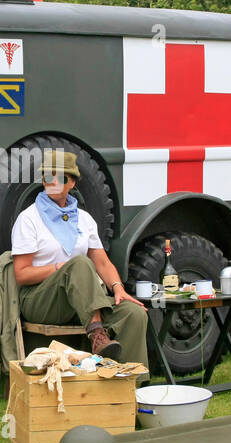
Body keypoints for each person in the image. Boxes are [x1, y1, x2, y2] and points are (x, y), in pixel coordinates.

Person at [11, 149, 148, 364]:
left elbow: (102, 262)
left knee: (133, 313)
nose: (53, 182)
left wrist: (119, 289)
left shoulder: (84, 219)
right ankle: (97, 334)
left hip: (81, 301)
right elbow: (21, 274)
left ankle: (129, 385)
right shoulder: (28, 218)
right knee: (80, 264)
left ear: (72, 183)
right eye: (48, 177)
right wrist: (60, 269)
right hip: (40, 299)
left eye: (61, 178)